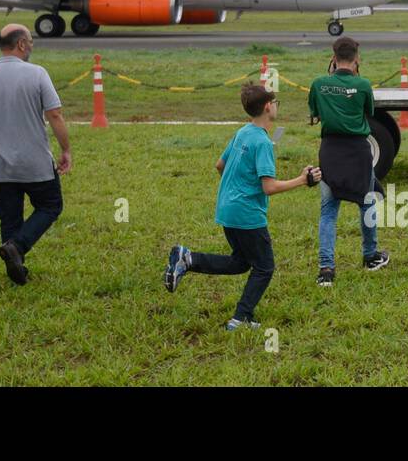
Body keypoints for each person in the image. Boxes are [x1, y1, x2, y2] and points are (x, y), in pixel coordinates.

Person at [164, 83, 321, 330]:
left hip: (227, 210)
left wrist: (236, 191)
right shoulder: (262, 142)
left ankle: (188, 259)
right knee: (264, 267)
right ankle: (241, 317)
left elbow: (219, 165)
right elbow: (268, 187)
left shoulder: (242, 133)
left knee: (241, 262)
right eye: (276, 102)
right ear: (268, 107)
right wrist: (302, 180)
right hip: (248, 216)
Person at [0, 23, 71, 285]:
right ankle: (18, 248)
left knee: (10, 218)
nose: (32, 47)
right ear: (22, 44)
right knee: (50, 206)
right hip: (34, 162)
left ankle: (15, 269)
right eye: (31, 43)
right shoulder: (37, 73)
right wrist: (66, 149)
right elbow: (55, 114)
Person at [308, 37, 389, 285]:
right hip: (358, 152)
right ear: (357, 59)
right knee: (366, 204)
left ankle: (326, 269)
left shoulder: (319, 84)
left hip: (331, 151)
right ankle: (370, 255)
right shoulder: (363, 84)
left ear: (333, 58)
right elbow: (369, 113)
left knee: (329, 211)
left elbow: (315, 115)